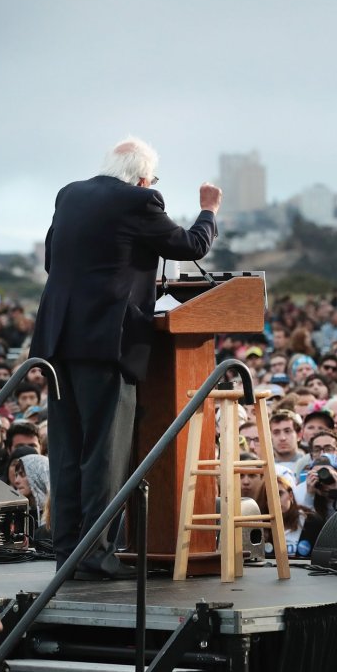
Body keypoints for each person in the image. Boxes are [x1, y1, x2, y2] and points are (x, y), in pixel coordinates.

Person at [30, 138, 220, 580]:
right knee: (104, 454)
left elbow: (51, 260)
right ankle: (96, 556)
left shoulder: (70, 194)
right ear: (142, 177)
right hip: (106, 342)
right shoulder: (141, 199)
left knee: (66, 451)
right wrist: (209, 209)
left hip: (59, 340)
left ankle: (68, 556)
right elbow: (191, 246)